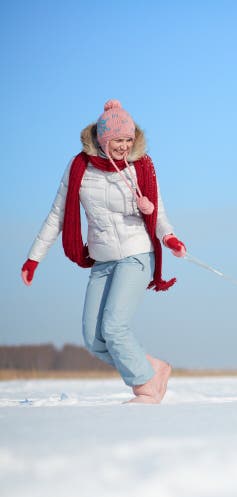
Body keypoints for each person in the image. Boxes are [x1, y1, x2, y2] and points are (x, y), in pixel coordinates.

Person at [20, 100, 187, 404]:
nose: (124, 147)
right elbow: (57, 216)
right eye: (118, 140)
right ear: (101, 139)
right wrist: (34, 258)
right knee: (94, 339)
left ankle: (146, 389)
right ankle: (153, 368)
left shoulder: (142, 166)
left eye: (128, 140)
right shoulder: (79, 168)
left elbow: (158, 211)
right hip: (102, 259)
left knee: (114, 326)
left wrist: (170, 238)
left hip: (136, 253)